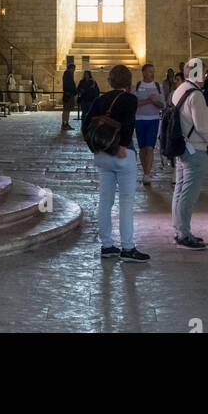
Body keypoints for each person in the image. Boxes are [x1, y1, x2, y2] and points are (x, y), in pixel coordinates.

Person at [82, 64, 149, 264]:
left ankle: (107, 245)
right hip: (122, 154)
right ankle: (128, 248)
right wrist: (119, 146)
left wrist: (96, 148)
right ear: (128, 82)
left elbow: (86, 127)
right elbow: (128, 126)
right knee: (126, 202)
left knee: (105, 200)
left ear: (110, 81)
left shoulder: (100, 100)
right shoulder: (129, 99)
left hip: (102, 155)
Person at [170, 61, 208, 248]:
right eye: (204, 73)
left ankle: (179, 230)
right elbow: (202, 127)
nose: (206, 77)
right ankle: (184, 234)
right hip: (195, 149)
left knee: (179, 190)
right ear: (198, 74)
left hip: (182, 147)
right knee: (189, 193)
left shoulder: (179, 90)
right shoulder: (196, 95)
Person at [134, 63, 165, 185]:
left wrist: (155, 102)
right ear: (143, 73)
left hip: (153, 119)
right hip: (139, 119)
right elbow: (134, 104)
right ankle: (145, 170)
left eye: (153, 71)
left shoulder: (158, 87)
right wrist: (148, 101)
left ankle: (147, 174)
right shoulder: (136, 86)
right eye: (149, 71)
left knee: (150, 147)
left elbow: (163, 105)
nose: (152, 74)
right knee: (142, 148)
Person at [61, 56, 77, 132]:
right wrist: (74, 91)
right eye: (74, 69)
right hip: (68, 95)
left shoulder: (67, 74)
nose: (74, 71)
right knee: (66, 110)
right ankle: (65, 124)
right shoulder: (67, 74)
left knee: (66, 110)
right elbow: (69, 86)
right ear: (71, 68)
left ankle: (65, 124)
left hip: (68, 94)